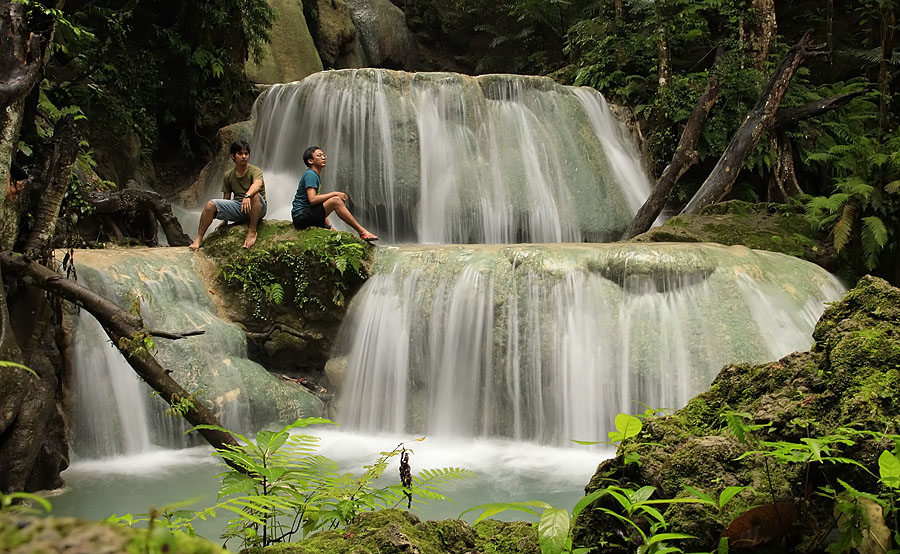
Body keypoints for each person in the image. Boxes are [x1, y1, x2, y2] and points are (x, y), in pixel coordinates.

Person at [189, 139, 267, 250]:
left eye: (246, 154)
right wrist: (225, 220)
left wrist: (247, 196)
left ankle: (252, 230)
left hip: (258, 207)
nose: (244, 156)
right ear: (233, 156)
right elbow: (226, 198)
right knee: (210, 205)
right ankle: (198, 238)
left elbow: (258, 184)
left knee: (254, 195)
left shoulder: (255, 171)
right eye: (240, 154)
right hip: (239, 207)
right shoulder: (228, 175)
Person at [291, 146, 378, 241]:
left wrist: (328, 226)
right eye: (319, 155)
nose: (323, 157)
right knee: (336, 200)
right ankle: (362, 232)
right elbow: (312, 200)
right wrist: (334, 193)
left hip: (303, 216)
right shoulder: (310, 175)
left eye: (324, 155)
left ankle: (361, 232)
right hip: (301, 217)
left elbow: (317, 206)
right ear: (310, 161)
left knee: (333, 200)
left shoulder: (313, 175)